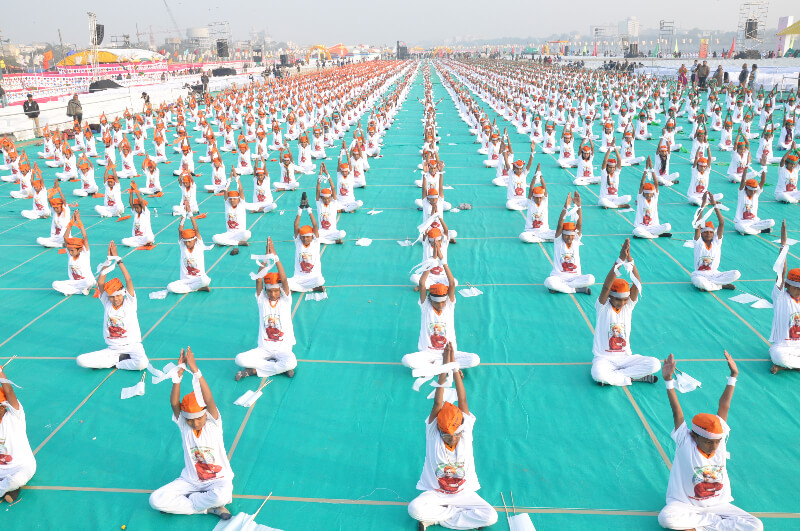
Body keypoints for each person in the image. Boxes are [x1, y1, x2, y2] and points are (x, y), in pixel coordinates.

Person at [657, 352, 763, 531]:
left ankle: (700, 526)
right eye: (708, 442)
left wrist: (733, 377)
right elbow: (677, 412)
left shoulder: (718, 441)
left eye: (717, 441)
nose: (714, 445)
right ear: (694, 435)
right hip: (685, 505)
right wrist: (668, 381)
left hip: (717, 505)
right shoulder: (685, 441)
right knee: (666, 518)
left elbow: (724, 406)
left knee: (756, 526)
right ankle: (715, 524)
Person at [407, 343, 498, 531]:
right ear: (439, 430)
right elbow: (438, 402)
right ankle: (460, 518)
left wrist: (454, 366)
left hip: (464, 494)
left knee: (491, 517)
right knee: (414, 509)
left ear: (461, 430)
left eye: (454, 434)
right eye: (446, 435)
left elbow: (462, 400)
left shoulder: (466, 433)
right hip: (435, 493)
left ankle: (435, 519)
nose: (450, 437)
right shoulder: (433, 433)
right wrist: (444, 369)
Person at [149, 347, 233, 520]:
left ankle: (193, 503)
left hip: (218, 480)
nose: (195, 423)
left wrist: (195, 371)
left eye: (199, 419)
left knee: (222, 496)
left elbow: (208, 399)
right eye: (190, 420)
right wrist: (178, 375)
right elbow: (174, 403)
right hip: (191, 480)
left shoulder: (214, 423)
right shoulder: (184, 425)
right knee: (155, 500)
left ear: (205, 414)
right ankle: (208, 508)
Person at [591, 240, 660, 386]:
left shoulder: (628, 306)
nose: (621, 303)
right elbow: (605, 287)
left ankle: (614, 378)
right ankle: (634, 378)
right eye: (617, 299)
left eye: (624, 300)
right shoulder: (602, 307)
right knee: (597, 374)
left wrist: (630, 260)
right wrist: (620, 260)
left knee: (655, 364)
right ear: (610, 296)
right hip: (604, 359)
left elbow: (637, 283)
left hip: (625, 358)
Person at [76, 241, 149, 371]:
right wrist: (108, 260)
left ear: (124, 293)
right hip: (113, 349)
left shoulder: (130, 303)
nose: (115, 299)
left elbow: (128, 280)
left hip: (132, 346)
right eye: (112, 296)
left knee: (142, 363)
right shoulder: (107, 302)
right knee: (81, 360)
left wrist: (118, 259)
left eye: (118, 295)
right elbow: (100, 281)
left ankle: (118, 363)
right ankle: (117, 360)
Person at [234, 237, 298, 381]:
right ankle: (279, 368)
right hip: (264, 349)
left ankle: (254, 371)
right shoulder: (262, 300)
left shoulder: (285, 300)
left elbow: (284, 279)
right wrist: (265, 258)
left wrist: (274, 256)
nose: (273, 294)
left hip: (283, 349)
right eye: (270, 291)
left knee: (292, 361)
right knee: (239, 359)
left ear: (280, 290)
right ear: (266, 291)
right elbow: (258, 279)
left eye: (276, 291)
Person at [402, 265, 480, 372]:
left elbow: (452, 283)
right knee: (406, 360)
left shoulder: (449, 306)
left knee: (475, 359)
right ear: (430, 299)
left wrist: (444, 264)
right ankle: (449, 367)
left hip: (449, 353)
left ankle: (440, 366)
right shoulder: (426, 307)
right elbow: (422, 284)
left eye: (443, 302)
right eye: (437, 302)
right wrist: (428, 266)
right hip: (428, 354)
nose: (440, 305)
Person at [0, 364, 36, 505]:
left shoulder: (15, 414)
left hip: (21, 467)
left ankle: (10, 486)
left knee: (17, 479)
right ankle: (9, 489)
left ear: (4, 406)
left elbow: (8, 390)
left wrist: (0, 372)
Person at [545, 192, 594, 295]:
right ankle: (576, 290)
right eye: (567, 235)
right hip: (558, 277)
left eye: (572, 235)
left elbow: (579, 224)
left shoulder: (575, 241)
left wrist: (579, 206)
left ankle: (561, 289)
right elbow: (559, 226)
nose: (569, 237)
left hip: (575, 278)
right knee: (548, 282)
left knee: (591, 279)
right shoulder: (558, 242)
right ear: (562, 234)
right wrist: (565, 208)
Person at [691, 193, 740, 291]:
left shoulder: (716, 242)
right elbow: (698, 223)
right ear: (701, 233)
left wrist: (714, 205)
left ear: (713, 234)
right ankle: (721, 285)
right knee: (700, 282)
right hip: (699, 275)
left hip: (715, 274)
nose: (708, 234)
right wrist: (703, 204)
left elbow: (722, 223)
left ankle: (711, 285)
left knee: (736, 273)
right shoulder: (699, 242)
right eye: (705, 232)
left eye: (710, 232)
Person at [769, 220, 800, 373]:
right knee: (777, 356)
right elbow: (781, 270)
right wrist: (783, 244)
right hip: (783, 347)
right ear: (787, 285)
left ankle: (787, 366)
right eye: (796, 287)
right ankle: (785, 364)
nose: (799, 290)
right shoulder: (780, 296)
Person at [52, 211, 95, 296]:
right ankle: (79, 291)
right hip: (74, 283)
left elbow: (85, 237)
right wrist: (71, 222)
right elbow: (65, 238)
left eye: (72, 251)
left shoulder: (84, 253)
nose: (70, 252)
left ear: (79, 250)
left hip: (85, 282)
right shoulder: (70, 254)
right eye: (69, 250)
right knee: (55, 284)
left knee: (89, 282)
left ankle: (74, 290)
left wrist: (79, 222)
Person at [168, 213, 212, 294]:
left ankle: (195, 287)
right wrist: (183, 216)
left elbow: (196, 228)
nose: (187, 244)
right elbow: (180, 230)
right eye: (186, 242)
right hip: (185, 280)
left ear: (195, 240)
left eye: (189, 242)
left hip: (198, 279)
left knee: (205, 280)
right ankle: (197, 288)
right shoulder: (183, 246)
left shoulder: (199, 245)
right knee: (170, 287)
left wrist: (190, 213)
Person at [288, 201, 325, 293]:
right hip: (298, 278)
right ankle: (312, 289)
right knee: (284, 282)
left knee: (321, 280)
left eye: (308, 237)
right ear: (300, 237)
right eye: (303, 237)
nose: (305, 239)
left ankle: (297, 289)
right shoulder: (298, 242)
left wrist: (308, 208)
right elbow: (296, 225)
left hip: (313, 278)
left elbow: (315, 225)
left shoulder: (315, 242)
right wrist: (300, 208)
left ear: (312, 236)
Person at [633, 166, 672, 239]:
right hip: (641, 227)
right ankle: (657, 235)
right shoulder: (641, 199)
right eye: (646, 193)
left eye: (650, 193)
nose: (648, 195)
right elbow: (642, 184)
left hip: (653, 227)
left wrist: (652, 169)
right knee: (636, 231)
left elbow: (656, 183)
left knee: (668, 226)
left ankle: (648, 235)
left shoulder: (655, 198)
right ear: (643, 193)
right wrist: (646, 170)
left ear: (653, 193)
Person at [211, 177, 251, 247]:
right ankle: (238, 243)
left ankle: (225, 243)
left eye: (234, 199)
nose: (232, 200)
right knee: (214, 238)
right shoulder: (228, 205)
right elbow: (226, 191)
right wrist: (229, 179)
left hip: (240, 233)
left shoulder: (241, 205)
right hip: (229, 234)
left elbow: (240, 190)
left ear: (238, 199)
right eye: (230, 199)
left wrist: (236, 177)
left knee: (247, 234)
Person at [121, 182, 155, 248]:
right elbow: (130, 203)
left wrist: (136, 190)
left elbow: (141, 202)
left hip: (145, 237)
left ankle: (144, 243)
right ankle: (142, 244)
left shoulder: (146, 213)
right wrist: (131, 191)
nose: (136, 209)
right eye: (135, 207)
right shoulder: (136, 213)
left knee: (149, 238)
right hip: (136, 238)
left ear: (142, 207)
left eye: (137, 207)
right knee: (124, 241)